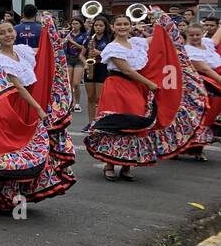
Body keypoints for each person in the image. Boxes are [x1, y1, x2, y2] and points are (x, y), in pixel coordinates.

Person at [0, 18, 76, 212]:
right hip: (9, 108)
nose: (7, 35)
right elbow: (19, 88)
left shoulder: (23, 51)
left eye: (9, 31)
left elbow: (46, 53)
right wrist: (38, 108)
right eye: (2, 33)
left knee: (24, 150)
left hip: (24, 106)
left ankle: (14, 194)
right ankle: (5, 196)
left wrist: (49, 29)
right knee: (10, 152)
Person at [85, 10, 205, 180]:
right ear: (112, 27)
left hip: (136, 88)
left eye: (126, 24)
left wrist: (158, 17)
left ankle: (127, 165)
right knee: (117, 123)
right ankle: (109, 164)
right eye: (119, 24)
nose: (123, 27)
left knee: (136, 123)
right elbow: (127, 70)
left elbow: (159, 38)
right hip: (118, 87)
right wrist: (150, 84)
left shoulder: (136, 42)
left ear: (131, 26)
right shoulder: (113, 47)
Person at [179, 23, 221, 160]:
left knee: (209, 116)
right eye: (191, 35)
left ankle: (198, 149)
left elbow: (216, 38)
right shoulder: (189, 50)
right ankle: (183, 147)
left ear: (203, 32)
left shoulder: (207, 43)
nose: (195, 37)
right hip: (200, 85)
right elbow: (205, 69)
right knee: (197, 118)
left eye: (198, 34)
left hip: (213, 82)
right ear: (187, 35)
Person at [61, 18, 87, 112]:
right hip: (69, 58)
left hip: (79, 58)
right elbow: (61, 44)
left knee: (76, 83)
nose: (74, 26)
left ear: (80, 25)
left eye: (76, 24)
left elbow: (84, 48)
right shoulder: (68, 34)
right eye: (73, 24)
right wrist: (64, 41)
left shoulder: (84, 35)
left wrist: (72, 42)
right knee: (69, 83)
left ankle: (77, 103)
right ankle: (70, 103)